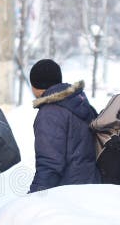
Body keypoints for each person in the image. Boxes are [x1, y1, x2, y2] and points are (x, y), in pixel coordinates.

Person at [28, 59, 101, 193]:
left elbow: (49, 165)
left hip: (67, 194)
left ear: (36, 86)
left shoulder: (49, 114)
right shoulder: (79, 102)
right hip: (90, 186)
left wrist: (34, 198)